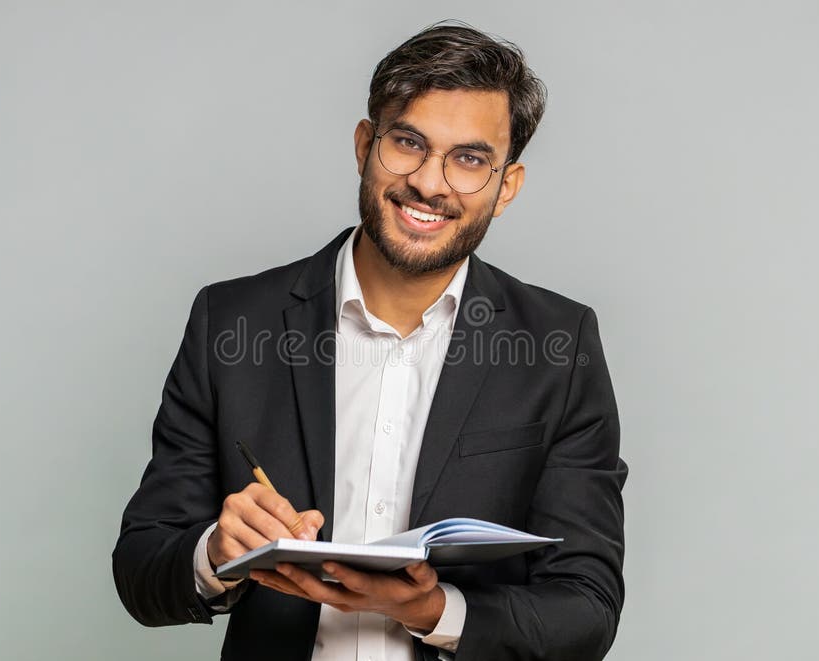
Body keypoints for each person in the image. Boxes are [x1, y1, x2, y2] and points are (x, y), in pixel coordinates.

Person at [113, 22, 627, 661]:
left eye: (468, 159)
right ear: (364, 145)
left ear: (506, 187)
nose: (430, 183)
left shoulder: (561, 345)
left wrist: (436, 611)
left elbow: (587, 608)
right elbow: (140, 571)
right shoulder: (230, 322)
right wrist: (215, 551)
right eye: (408, 143)